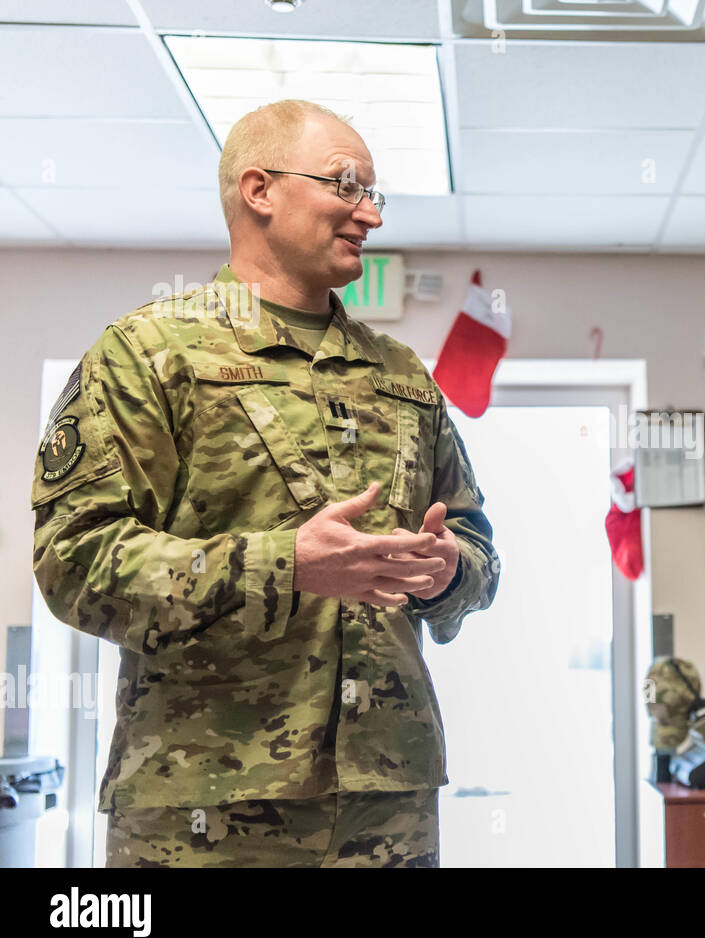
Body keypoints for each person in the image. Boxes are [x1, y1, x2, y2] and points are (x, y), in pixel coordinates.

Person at [31, 100, 499, 867]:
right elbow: (73, 563)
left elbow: (477, 541)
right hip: (205, 809)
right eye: (347, 186)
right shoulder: (149, 353)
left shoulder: (403, 376)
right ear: (259, 189)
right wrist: (285, 565)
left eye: (375, 194)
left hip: (388, 805)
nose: (370, 214)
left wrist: (450, 572)